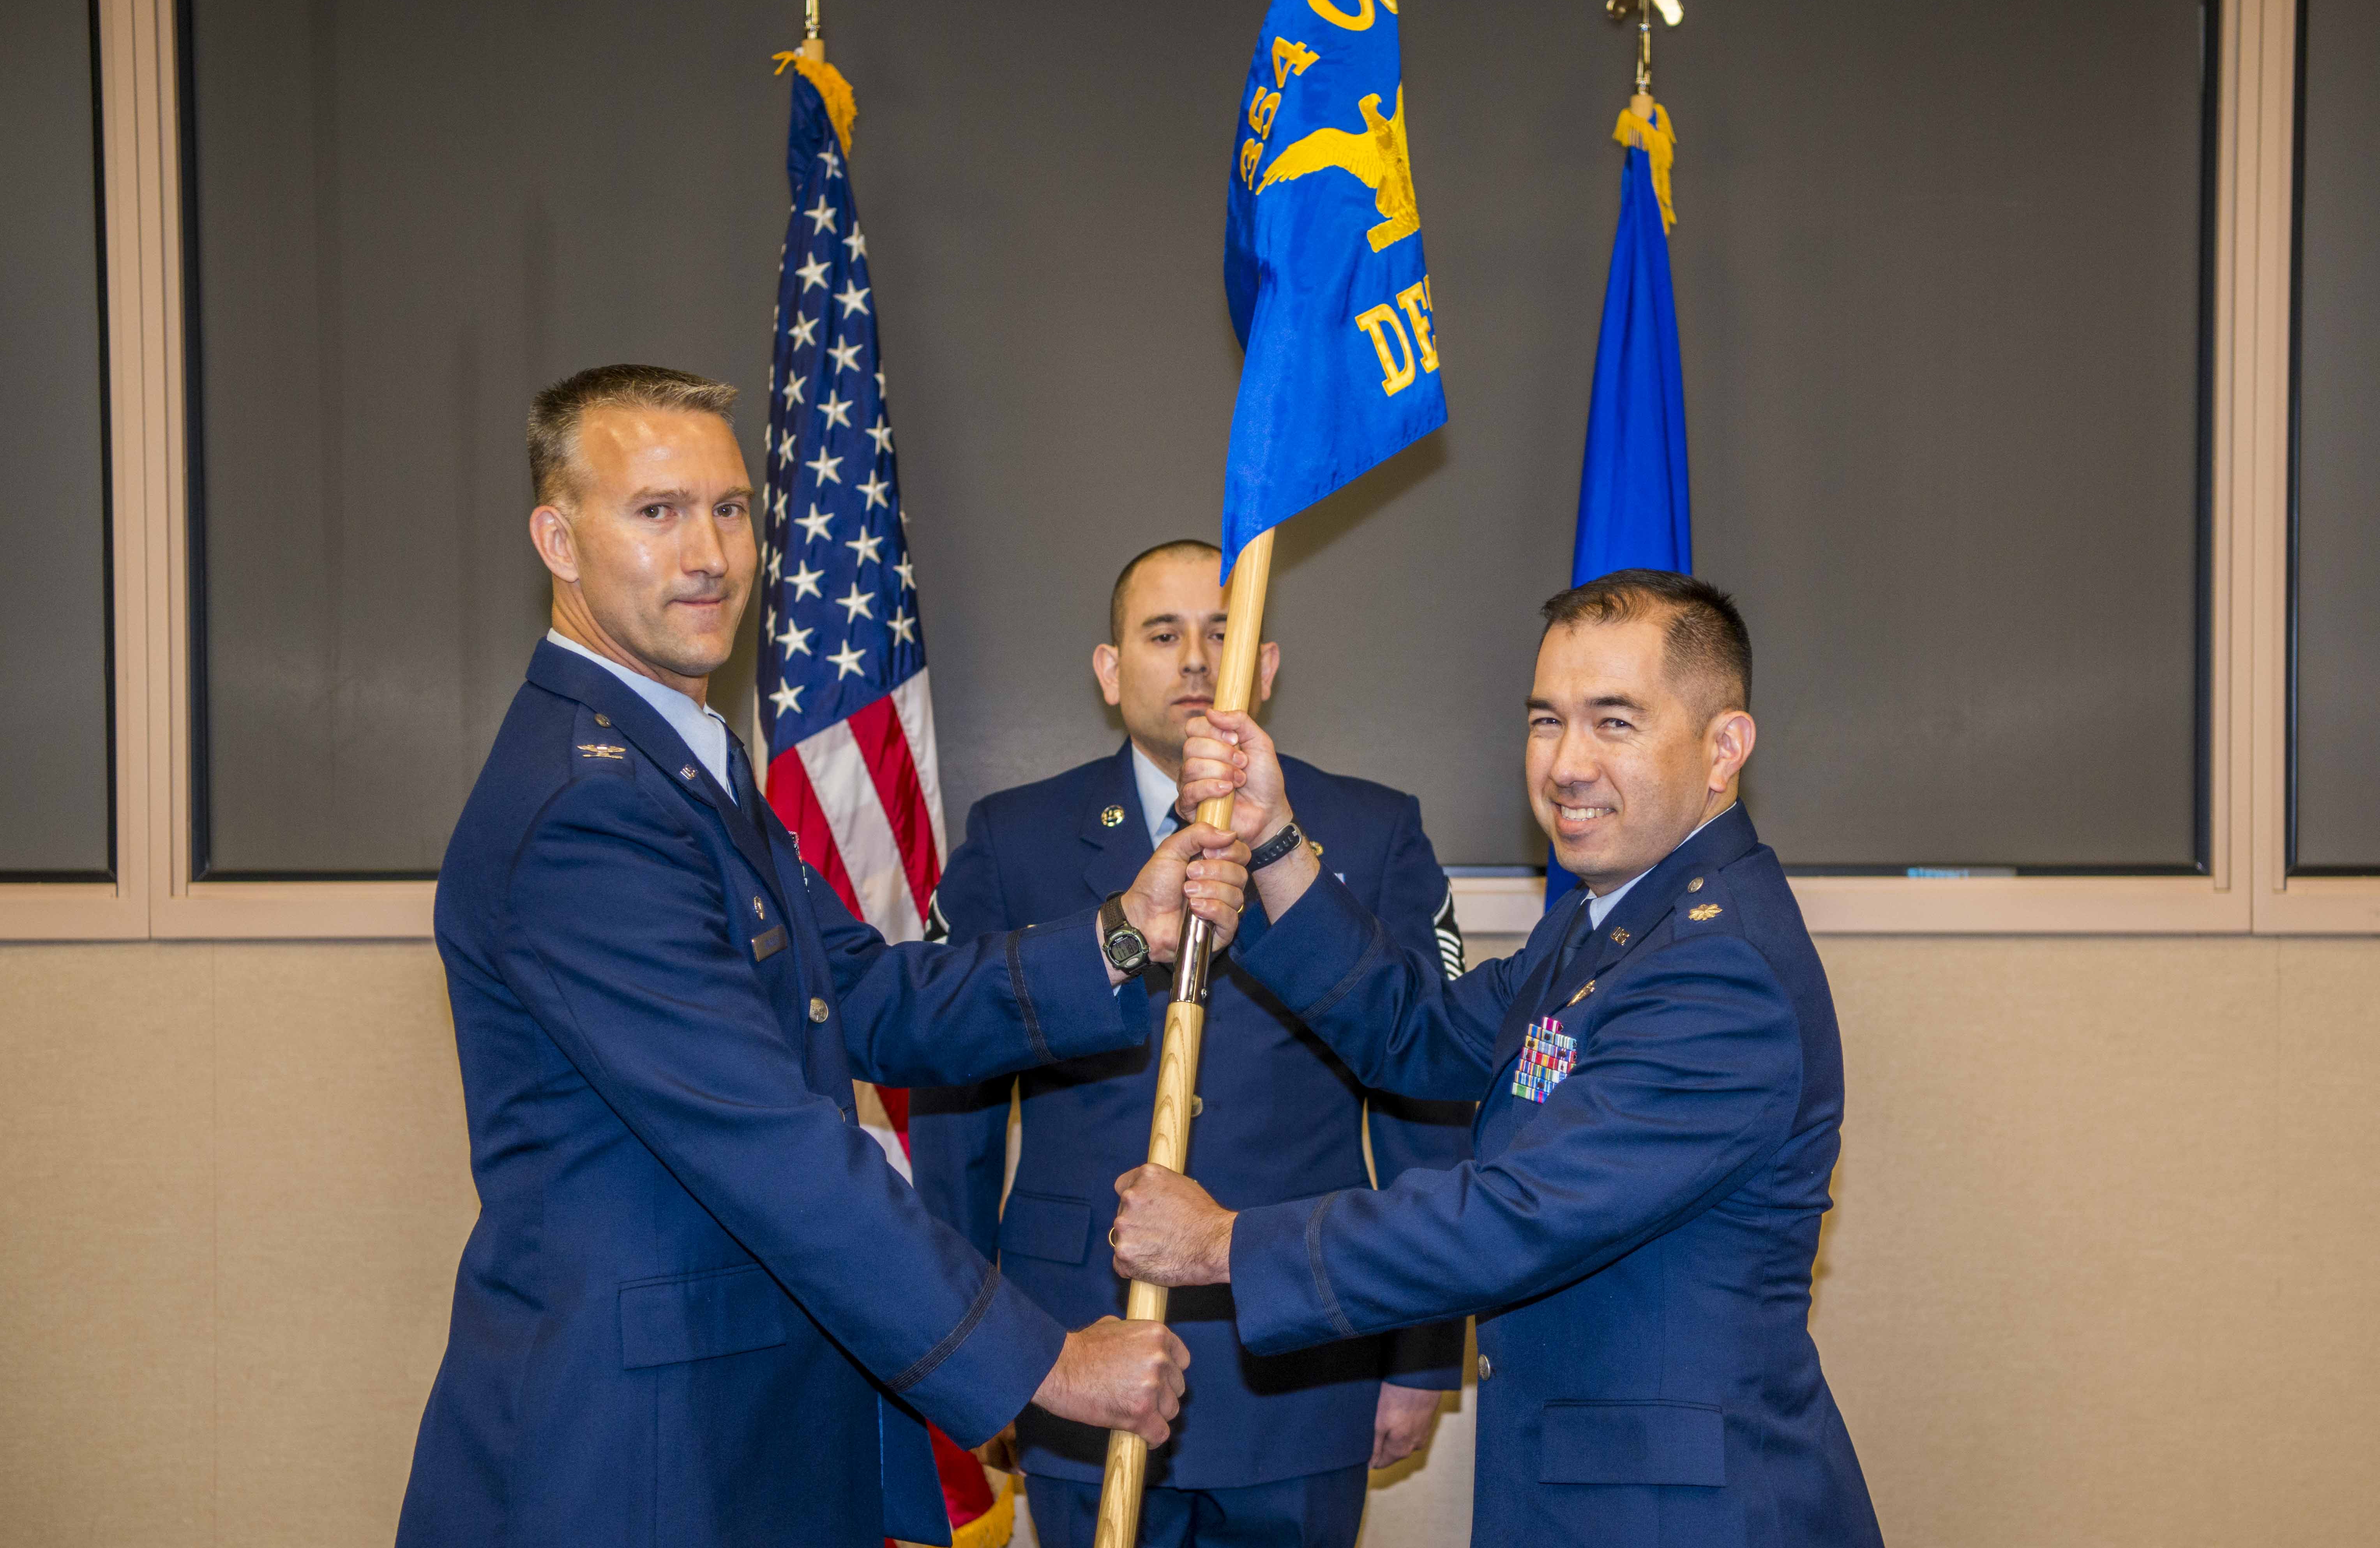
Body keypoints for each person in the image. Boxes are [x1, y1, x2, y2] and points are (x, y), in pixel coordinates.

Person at [397, 366, 1250, 1548]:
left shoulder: (676, 763)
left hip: (736, 1426)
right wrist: (1043, 1356)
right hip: (637, 1458)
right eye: (657, 512)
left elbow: (859, 989)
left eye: (732, 509)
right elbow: (768, 1141)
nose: (709, 553)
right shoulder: (583, 810)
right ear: (558, 538)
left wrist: (1122, 932)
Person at [1110, 570, 1886, 1547]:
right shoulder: (1607, 926)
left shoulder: (1718, 969)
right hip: (1584, 1494)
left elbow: (1519, 1214)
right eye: (1545, 720)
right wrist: (1272, 845)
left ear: (1724, 747)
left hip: (1681, 1516)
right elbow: (1417, 1032)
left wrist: (1224, 1244)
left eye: (1614, 722)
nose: (1565, 764)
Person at [908, 539, 1473, 1548]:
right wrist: (974, 1350)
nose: (1195, 660)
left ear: (1264, 666)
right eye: (1161, 634)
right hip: (1075, 1344)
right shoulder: (1016, 837)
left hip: (1303, 1355)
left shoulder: (1372, 829)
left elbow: (1422, 1093)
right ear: (1109, 669)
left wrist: (1421, 1352)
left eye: (1222, 632)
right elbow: (958, 1107)